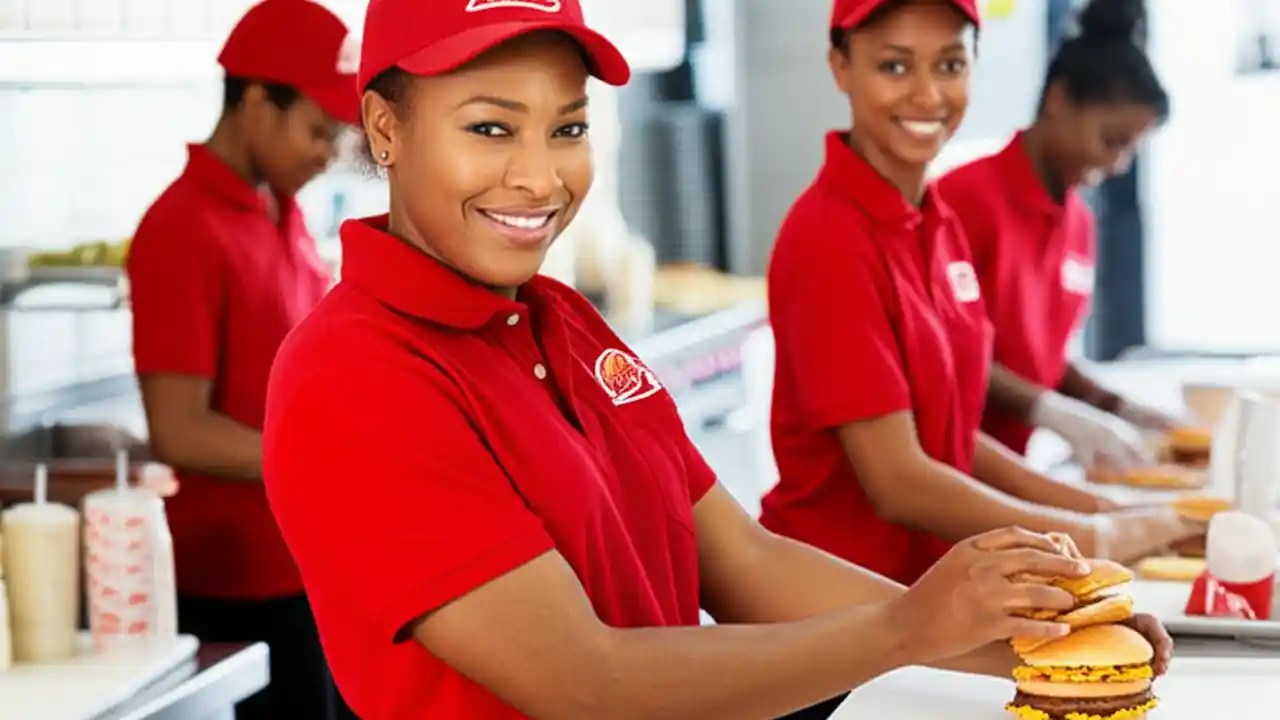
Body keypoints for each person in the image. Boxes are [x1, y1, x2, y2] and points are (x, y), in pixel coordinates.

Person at [258, 2, 1175, 720]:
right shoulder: (354, 374)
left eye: (568, 129)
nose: (540, 179)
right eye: (492, 129)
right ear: (384, 127)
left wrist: (1024, 636)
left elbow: (739, 558)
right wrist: (907, 626)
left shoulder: (563, 321)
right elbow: (585, 684)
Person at [759, 0, 1200, 593]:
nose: (926, 95)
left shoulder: (933, 224)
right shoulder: (830, 237)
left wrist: (1101, 510)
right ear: (841, 66)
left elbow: (947, 430)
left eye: (949, 65)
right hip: (839, 603)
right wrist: (1090, 538)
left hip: (926, 591)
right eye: (894, 67)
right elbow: (900, 482)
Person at [125, 1, 360, 717]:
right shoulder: (180, 229)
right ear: (257, 101)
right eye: (317, 130)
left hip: (306, 566)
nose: (327, 152)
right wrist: (319, 461)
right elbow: (180, 430)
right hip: (237, 591)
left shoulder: (281, 211)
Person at [938, 0, 1177, 469]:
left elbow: (1036, 356)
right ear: (1059, 100)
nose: (1116, 164)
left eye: (1130, 151)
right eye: (1111, 141)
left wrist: (1115, 406)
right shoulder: (962, 201)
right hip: (955, 466)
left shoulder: (1078, 223)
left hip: (1014, 470)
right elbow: (943, 353)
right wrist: (1048, 410)